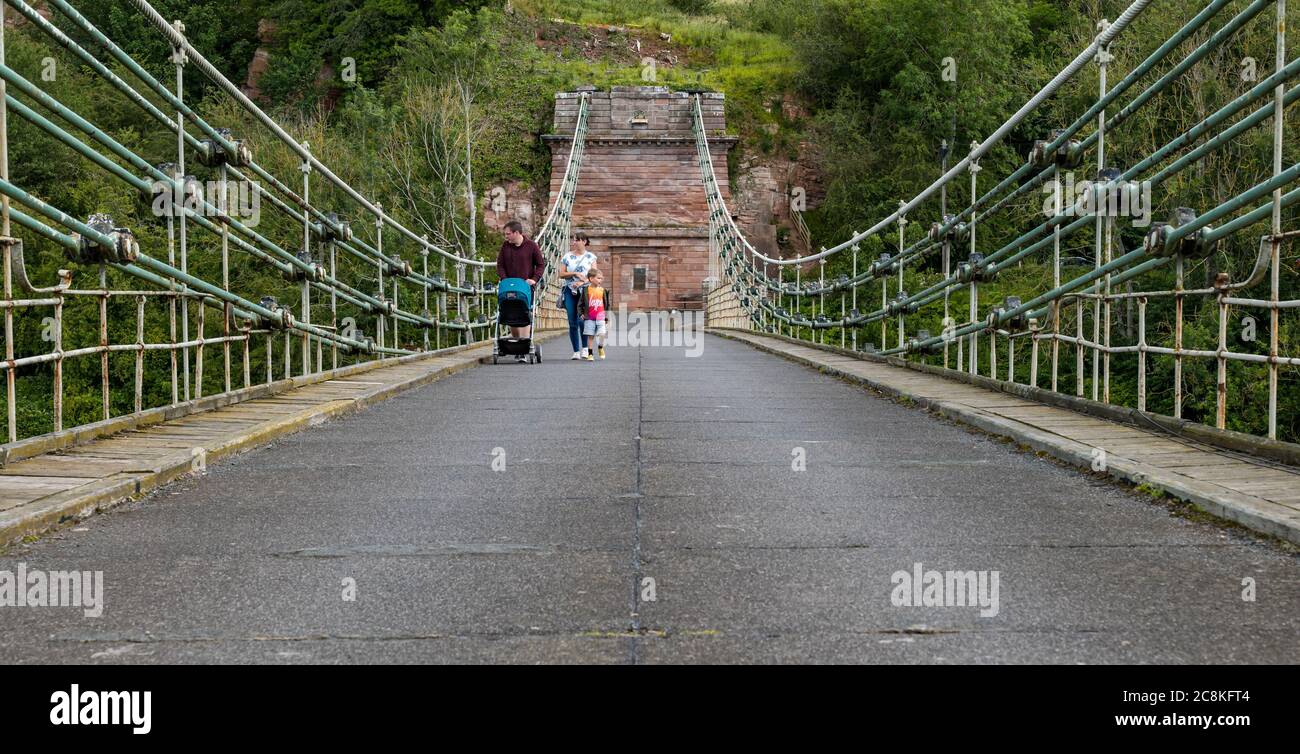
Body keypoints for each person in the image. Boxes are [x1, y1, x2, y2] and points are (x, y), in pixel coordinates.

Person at [495, 220, 544, 361]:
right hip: (509, 287)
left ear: (517, 233)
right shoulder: (505, 246)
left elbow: (540, 265)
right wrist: (504, 279)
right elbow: (500, 265)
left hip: (526, 288)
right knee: (511, 314)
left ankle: (524, 347)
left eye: (508, 234)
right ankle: (518, 347)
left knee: (524, 314)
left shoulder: (532, 246)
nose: (506, 237)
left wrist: (534, 279)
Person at [558, 233, 597, 360]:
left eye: (577, 240)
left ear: (584, 241)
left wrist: (583, 281)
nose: (574, 242)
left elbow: (594, 276)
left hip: (585, 292)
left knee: (582, 321)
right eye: (573, 240)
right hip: (570, 291)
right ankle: (576, 351)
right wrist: (575, 273)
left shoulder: (591, 257)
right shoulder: (567, 256)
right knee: (572, 322)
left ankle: (585, 348)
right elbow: (561, 274)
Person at [577, 267, 610, 361]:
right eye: (598, 278)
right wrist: (580, 314)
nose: (600, 280)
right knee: (590, 336)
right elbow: (580, 304)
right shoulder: (586, 290)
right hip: (589, 318)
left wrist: (606, 317)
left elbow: (606, 304)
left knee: (602, 334)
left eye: (601, 278)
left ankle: (600, 347)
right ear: (591, 279)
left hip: (600, 317)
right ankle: (590, 354)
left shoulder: (603, 290)